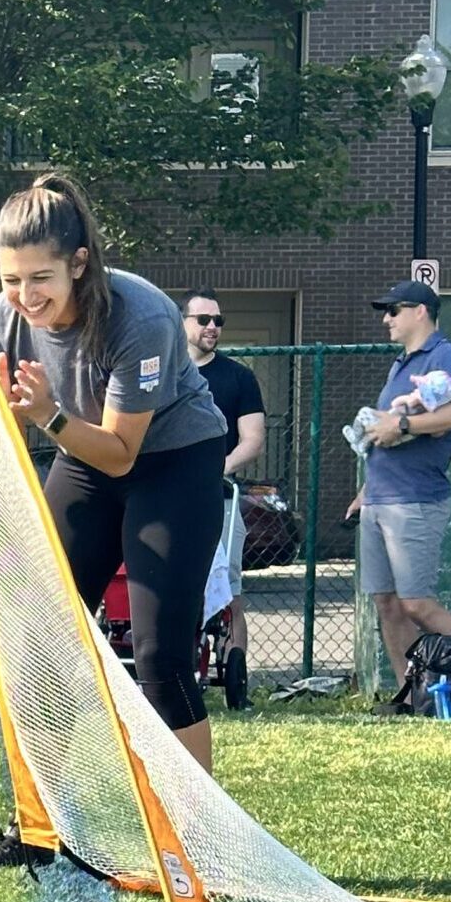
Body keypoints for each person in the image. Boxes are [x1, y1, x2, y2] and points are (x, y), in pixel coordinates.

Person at [0, 172, 227, 874]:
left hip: (170, 461)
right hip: (80, 455)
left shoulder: (142, 316)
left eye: (40, 277)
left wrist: (47, 415)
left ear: (79, 263)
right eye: (11, 279)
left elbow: (120, 450)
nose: (24, 296)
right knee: (42, 645)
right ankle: (38, 827)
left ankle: (201, 843)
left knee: (161, 655)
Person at [345, 280, 451, 688]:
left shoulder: (445, 355)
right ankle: (410, 697)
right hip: (380, 499)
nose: (386, 319)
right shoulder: (402, 362)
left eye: (393, 310)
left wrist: (402, 424)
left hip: (415, 500)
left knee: (416, 603)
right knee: (388, 604)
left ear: (420, 311)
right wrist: (366, 492)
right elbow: (383, 434)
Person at [181, 288, 267, 709]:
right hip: (167, 499)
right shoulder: (167, 374)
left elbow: (253, 439)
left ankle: (236, 682)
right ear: (182, 323)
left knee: (229, 589)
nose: (212, 327)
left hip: (219, 500)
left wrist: (218, 468)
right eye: (203, 320)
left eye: (218, 321)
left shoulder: (238, 378)